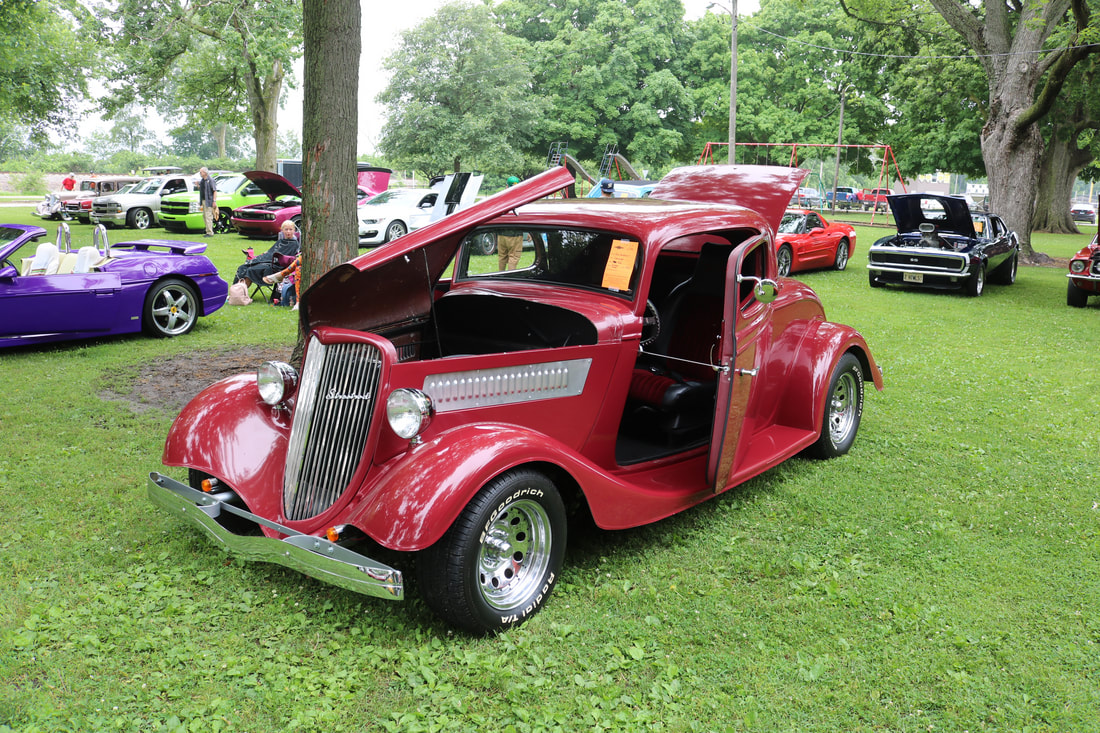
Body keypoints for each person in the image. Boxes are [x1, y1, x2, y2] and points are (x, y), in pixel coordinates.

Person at [235, 220, 301, 290]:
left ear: (294, 230)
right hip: (268, 261)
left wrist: (274, 258)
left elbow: (287, 259)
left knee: (250, 270)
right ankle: (236, 292)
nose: (288, 232)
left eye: (290, 229)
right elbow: (270, 252)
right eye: (286, 229)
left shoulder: (294, 244)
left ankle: (240, 294)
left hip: (277, 266)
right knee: (243, 267)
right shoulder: (280, 241)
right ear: (282, 230)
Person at [198, 167, 217, 237]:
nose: (200, 173)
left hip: (209, 200)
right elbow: (203, 190)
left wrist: (214, 201)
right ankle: (207, 230)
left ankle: (210, 232)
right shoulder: (202, 181)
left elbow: (214, 191)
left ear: (205, 173)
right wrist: (198, 186)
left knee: (208, 216)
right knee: (205, 216)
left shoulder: (211, 180)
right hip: (203, 200)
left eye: (201, 172)